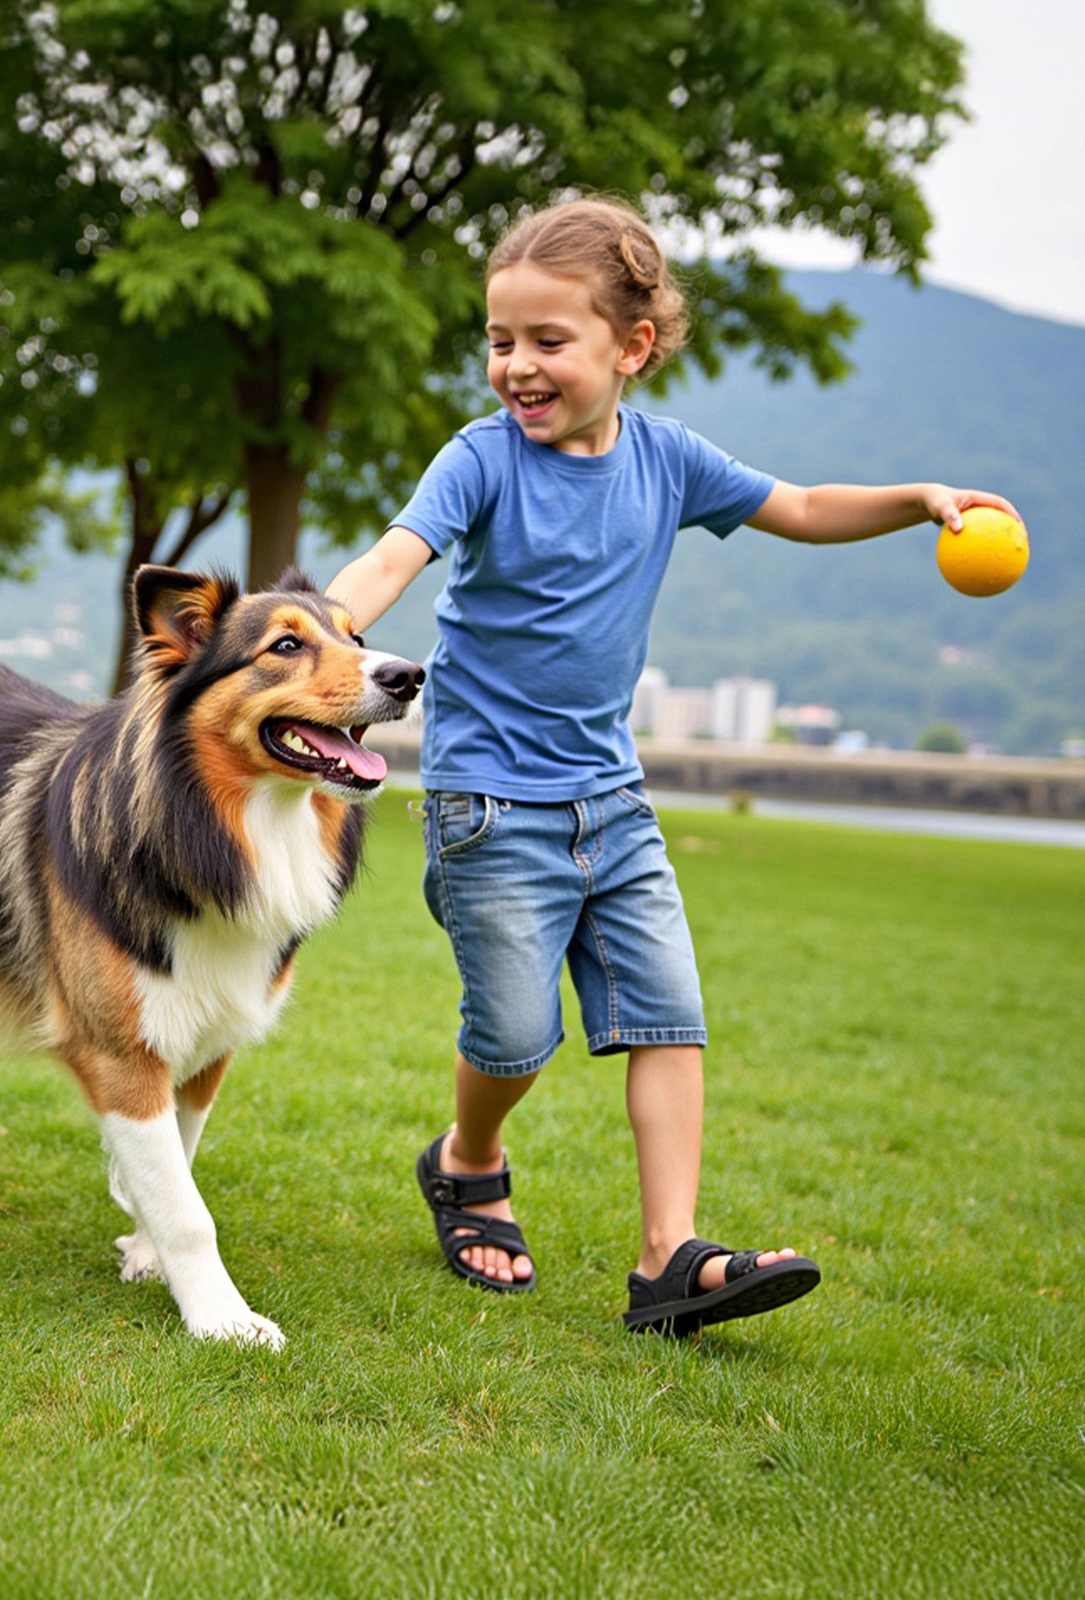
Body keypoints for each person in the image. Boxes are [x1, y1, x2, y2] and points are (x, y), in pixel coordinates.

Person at [326, 195, 1021, 1333]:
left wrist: (918, 501)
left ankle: (667, 1257)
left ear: (631, 345)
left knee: (668, 1015)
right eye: (500, 340)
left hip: (613, 799)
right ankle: (466, 1159)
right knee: (510, 1035)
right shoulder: (480, 458)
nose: (516, 366)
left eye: (549, 341)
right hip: (489, 801)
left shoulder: (668, 461)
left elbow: (796, 503)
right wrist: (327, 622)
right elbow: (393, 554)